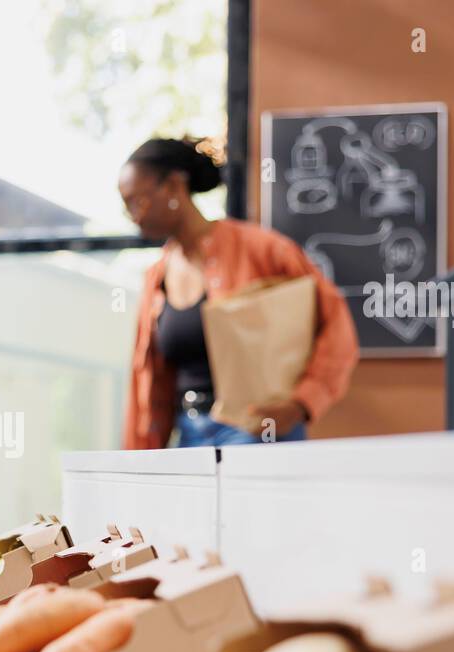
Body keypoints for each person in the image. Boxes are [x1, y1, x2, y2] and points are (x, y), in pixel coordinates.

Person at [117, 136, 359, 449]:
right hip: (187, 434)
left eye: (138, 201)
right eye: (127, 208)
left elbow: (336, 324)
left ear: (174, 186)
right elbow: (149, 385)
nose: (135, 216)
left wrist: (301, 403)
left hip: (256, 428)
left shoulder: (262, 249)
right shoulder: (155, 278)